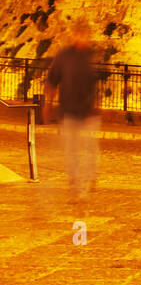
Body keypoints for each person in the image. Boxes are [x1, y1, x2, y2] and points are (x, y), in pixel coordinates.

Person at [44, 19, 101, 201]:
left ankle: (90, 177)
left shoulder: (93, 56)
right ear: (74, 34)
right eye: (79, 33)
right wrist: (48, 104)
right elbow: (52, 79)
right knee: (72, 150)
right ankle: (75, 183)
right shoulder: (64, 56)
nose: (82, 38)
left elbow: (98, 83)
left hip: (89, 112)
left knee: (91, 149)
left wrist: (97, 107)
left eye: (85, 34)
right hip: (69, 110)